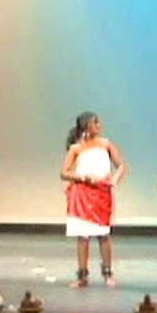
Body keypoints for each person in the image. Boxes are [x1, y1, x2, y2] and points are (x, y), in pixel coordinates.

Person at [60, 112, 126, 287]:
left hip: (101, 194)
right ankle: (82, 276)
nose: (98, 125)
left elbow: (121, 166)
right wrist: (83, 177)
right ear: (86, 126)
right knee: (83, 236)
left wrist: (114, 180)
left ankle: (107, 273)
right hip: (82, 195)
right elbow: (64, 172)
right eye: (94, 122)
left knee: (103, 235)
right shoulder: (76, 148)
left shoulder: (105, 144)